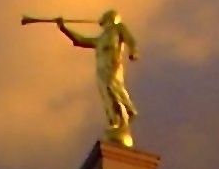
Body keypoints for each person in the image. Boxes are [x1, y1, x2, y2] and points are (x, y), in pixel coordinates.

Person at [29, 8, 139, 145]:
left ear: (109, 19)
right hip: (101, 70)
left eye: (103, 19)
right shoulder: (101, 39)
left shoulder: (118, 28)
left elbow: (130, 40)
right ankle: (115, 121)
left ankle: (127, 114)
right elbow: (80, 40)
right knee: (107, 95)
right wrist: (63, 28)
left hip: (113, 66)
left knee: (114, 89)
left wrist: (133, 51)